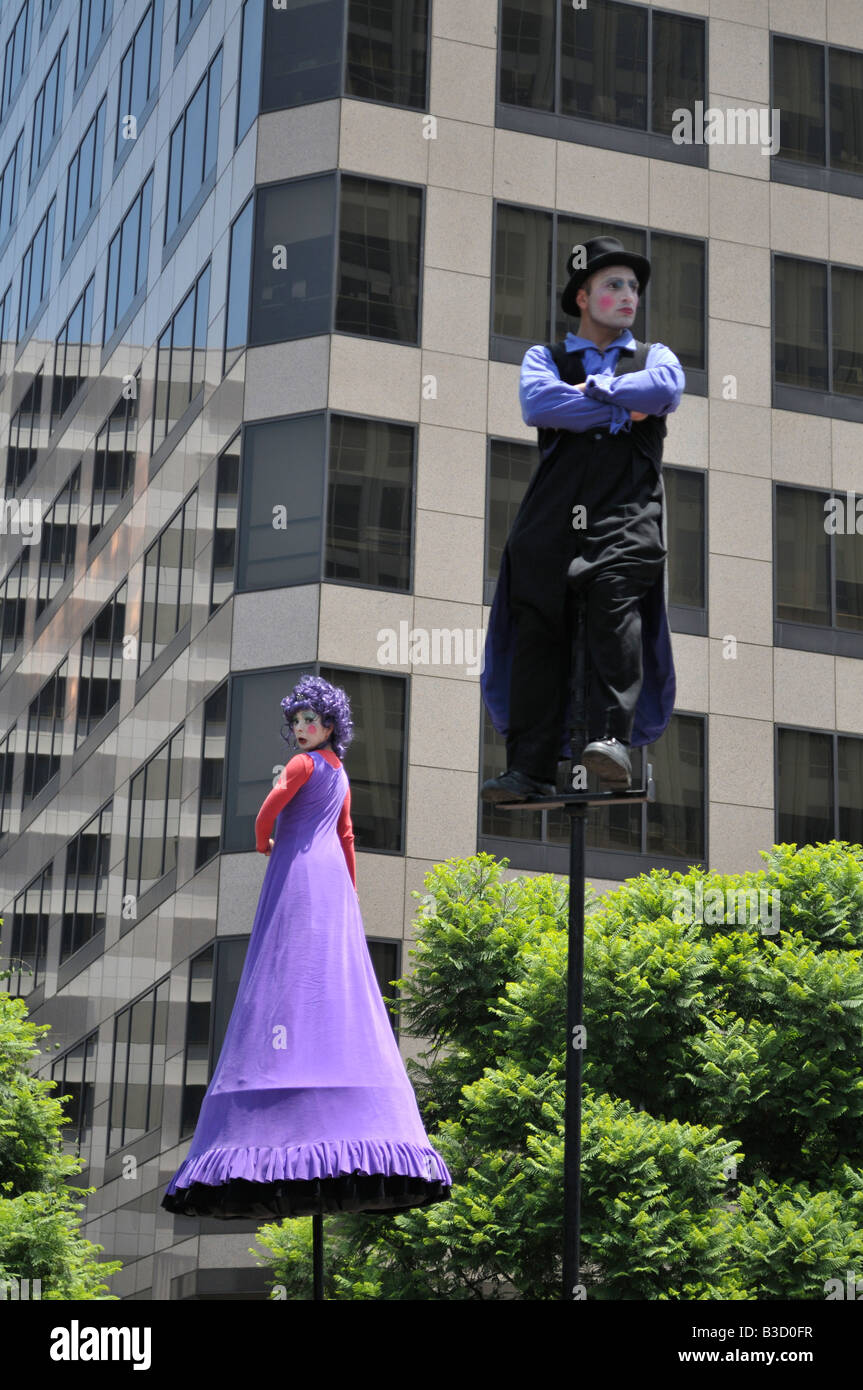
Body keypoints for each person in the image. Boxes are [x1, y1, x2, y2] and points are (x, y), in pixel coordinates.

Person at [162, 674, 451, 1219]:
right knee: (329, 961)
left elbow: (270, 806)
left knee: (285, 952)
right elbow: (345, 835)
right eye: (296, 722)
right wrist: (350, 885)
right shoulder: (341, 775)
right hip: (334, 880)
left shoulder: (304, 766)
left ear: (330, 725)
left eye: (309, 722)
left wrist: (262, 841)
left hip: (298, 868)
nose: (300, 730)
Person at [480, 235, 684, 800]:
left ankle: (611, 741)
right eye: (613, 285)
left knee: (614, 605)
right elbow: (539, 404)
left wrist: (599, 388)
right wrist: (623, 404)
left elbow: (666, 388)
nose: (628, 297)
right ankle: (528, 768)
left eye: (634, 288)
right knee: (539, 629)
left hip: (627, 514)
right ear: (582, 296)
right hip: (549, 520)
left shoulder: (655, 356)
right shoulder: (544, 358)